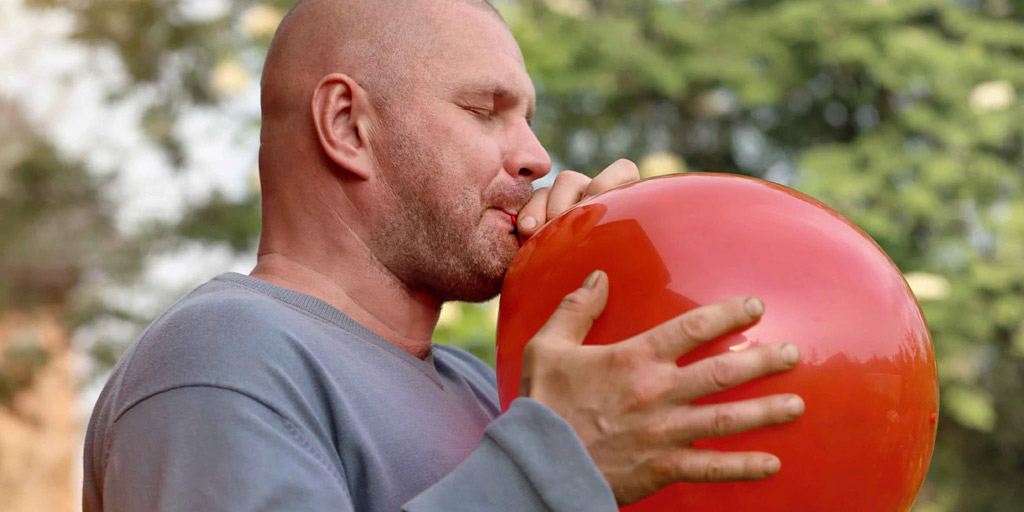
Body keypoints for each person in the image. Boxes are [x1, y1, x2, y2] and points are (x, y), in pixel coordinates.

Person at [82, 0, 805, 510]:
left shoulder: (481, 386)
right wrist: (549, 470)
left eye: (527, 118)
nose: (536, 157)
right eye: (484, 111)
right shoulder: (224, 358)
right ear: (347, 126)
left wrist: (609, 290)